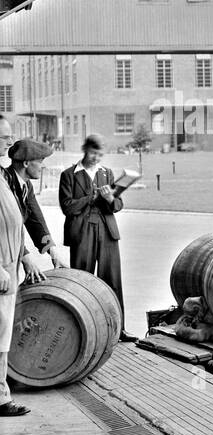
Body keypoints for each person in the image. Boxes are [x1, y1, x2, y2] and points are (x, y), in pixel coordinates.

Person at [59, 133, 133, 341]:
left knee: (113, 279)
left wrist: (110, 198)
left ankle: (119, 328)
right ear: (85, 150)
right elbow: (67, 207)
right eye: (93, 153)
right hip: (82, 232)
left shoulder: (106, 173)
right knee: (82, 279)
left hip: (107, 231)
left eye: (100, 155)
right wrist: (89, 198)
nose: (96, 158)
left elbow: (117, 206)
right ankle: (82, 330)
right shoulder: (69, 175)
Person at [0, 148, 46, 417]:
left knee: (3, 333)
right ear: (27, 162)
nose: (6, 144)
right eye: (2, 137)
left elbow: (21, 222)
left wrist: (28, 255)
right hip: (3, 270)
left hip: (9, 266)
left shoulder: (7, 181)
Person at [1, 132, 55, 274]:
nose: (44, 167)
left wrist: (52, 250)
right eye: (41, 161)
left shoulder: (25, 184)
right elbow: (6, 229)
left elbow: (35, 218)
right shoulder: (3, 185)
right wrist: (26, 256)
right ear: (26, 163)